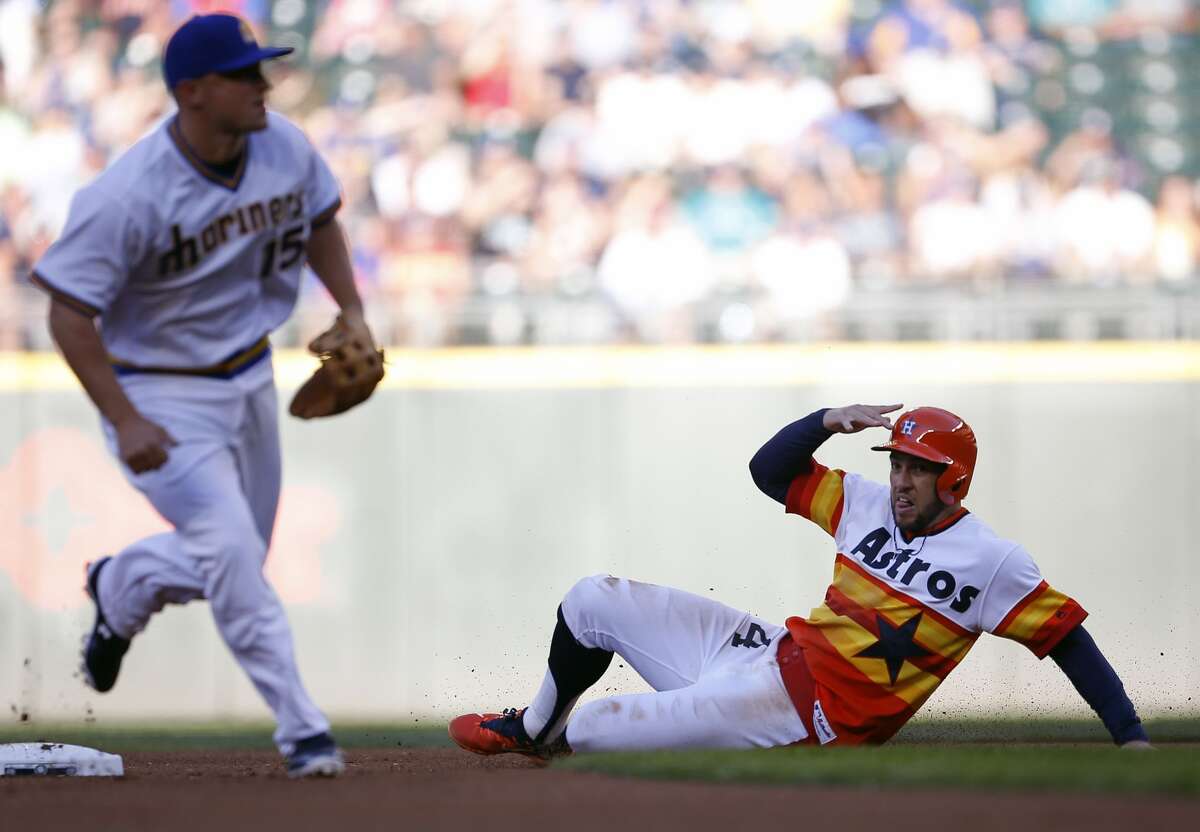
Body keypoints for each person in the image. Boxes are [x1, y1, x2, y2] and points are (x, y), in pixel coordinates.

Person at [32, 14, 382, 777]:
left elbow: (320, 220)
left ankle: (123, 583)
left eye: (261, 71)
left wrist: (351, 308)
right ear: (191, 92)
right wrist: (122, 418)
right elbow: (67, 312)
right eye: (243, 74)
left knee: (239, 558)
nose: (264, 85)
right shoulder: (128, 193)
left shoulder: (281, 144)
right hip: (160, 393)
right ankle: (305, 733)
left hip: (249, 374)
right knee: (228, 552)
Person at [449, 404, 1151, 755]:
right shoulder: (867, 502)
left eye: (917, 468)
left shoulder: (992, 561)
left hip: (800, 718)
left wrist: (1131, 737)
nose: (900, 478)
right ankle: (535, 729)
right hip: (765, 656)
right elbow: (769, 472)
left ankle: (566, 738)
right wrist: (825, 420)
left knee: (599, 727)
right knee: (591, 598)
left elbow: (1068, 641)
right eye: (898, 463)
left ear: (954, 480)